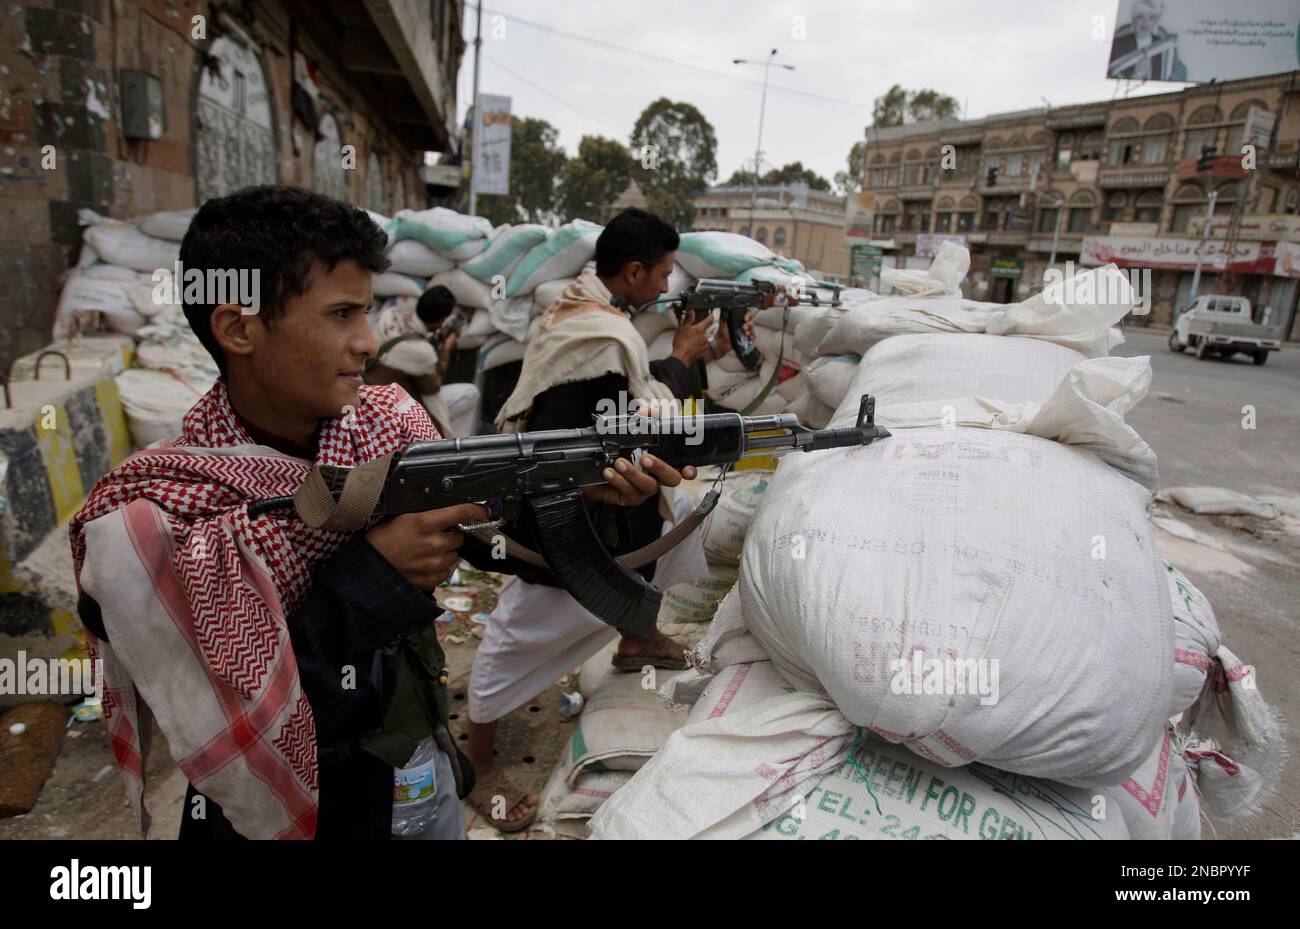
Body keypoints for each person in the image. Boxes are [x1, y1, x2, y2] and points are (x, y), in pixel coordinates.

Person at [69, 186, 685, 840]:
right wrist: (376, 575)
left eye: (367, 311)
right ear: (238, 326)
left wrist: (584, 488)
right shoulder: (151, 521)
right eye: (341, 314)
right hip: (284, 808)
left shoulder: (384, 425)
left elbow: (476, 527)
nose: (369, 340)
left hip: (412, 763)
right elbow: (226, 699)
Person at [460, 207, 753, 831]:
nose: (667, 286)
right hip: (562, 511)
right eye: (664, 273)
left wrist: (692, 359)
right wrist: (678, 358)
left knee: (672, 534)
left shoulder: (591, 313)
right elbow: (611, 419)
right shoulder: (600, 335)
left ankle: (637, 640)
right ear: (635, 270)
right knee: (517, 635)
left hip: (605, 497)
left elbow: (625, 407)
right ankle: (476, 762)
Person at [366, 284, 481, 438]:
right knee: (470, 393)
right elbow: (433, 386)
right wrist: (446, 350)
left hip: (373, 399)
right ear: (442, 320)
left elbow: (404, 347)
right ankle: (457, 448)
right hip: (397, 413)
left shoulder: (390, 315)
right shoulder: (423, 353)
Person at [1107, 0, 1186, 82]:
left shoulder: (1164, 45)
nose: (1145, 23)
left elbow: (1180, 72)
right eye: (1140, 17)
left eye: (1151, 18)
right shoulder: (1117, 44)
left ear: (1155, 22)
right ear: (1133, 20)